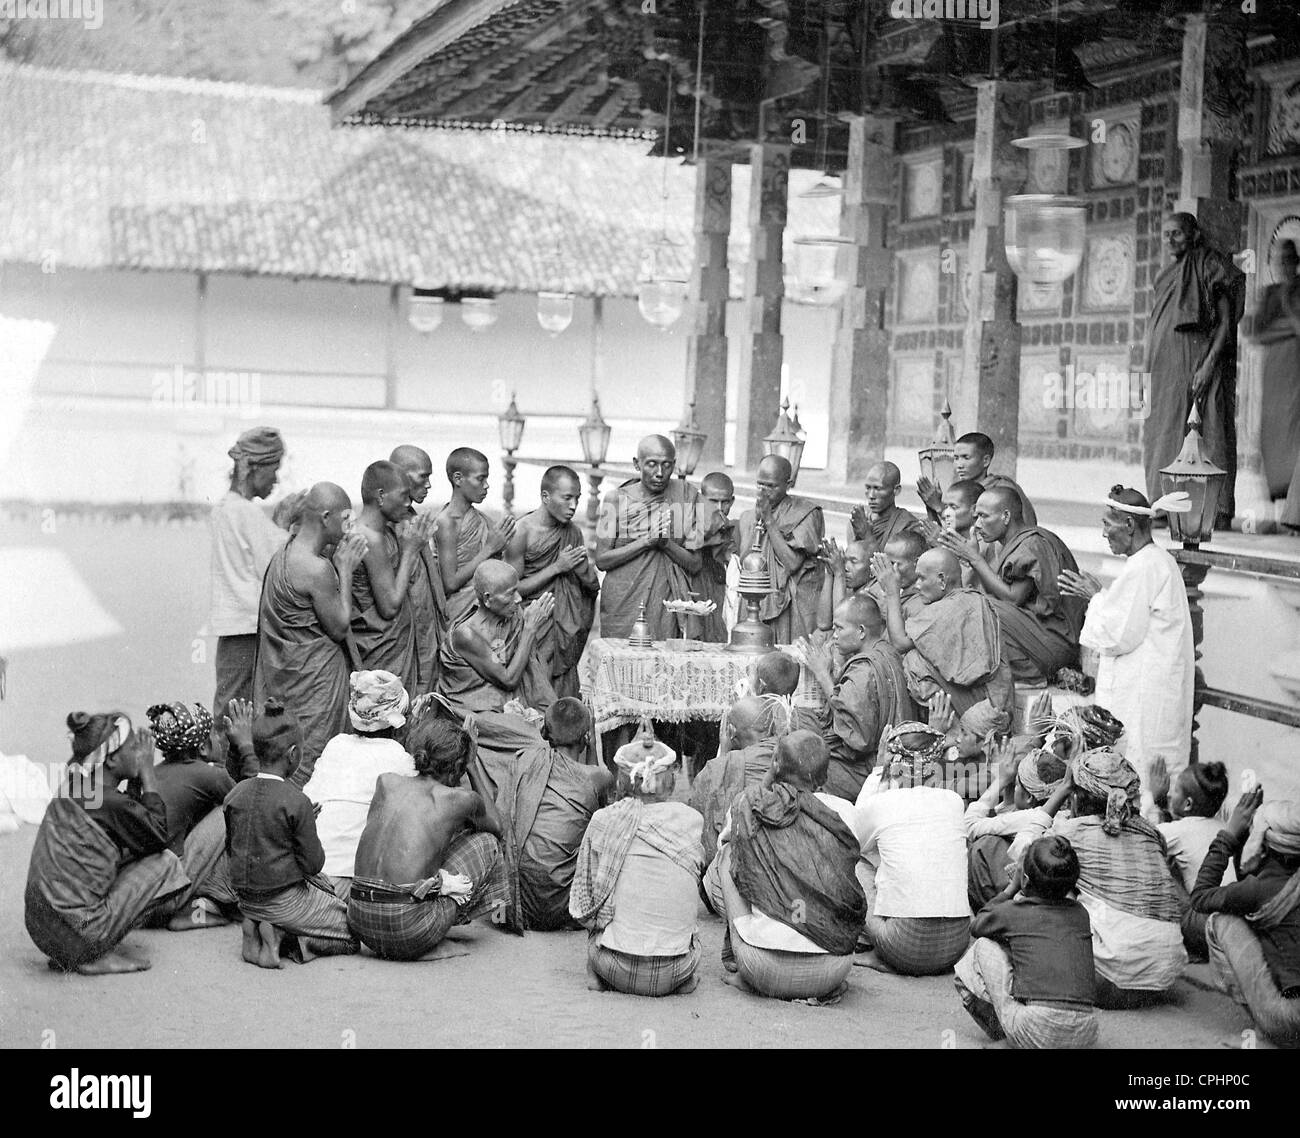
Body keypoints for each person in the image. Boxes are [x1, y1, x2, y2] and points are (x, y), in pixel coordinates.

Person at [25, 715, 189, 974]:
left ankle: (71, 951)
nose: (141, 752)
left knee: (124, 850)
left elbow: (129, 824)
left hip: (40, 928)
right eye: (134, 747)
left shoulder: (78, 786)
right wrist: (147, 774)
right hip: (80, 933)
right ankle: (92, 955)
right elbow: (156, 836)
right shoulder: (109, 801)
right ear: (111, 759)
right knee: (166, 862)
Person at [1059, 486, 1194, 798]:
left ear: (1130, 526)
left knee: (1141, 769)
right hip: (1149, 686)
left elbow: (1118, 634)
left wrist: (1094, 596)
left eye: (1108, 524)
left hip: (1147, 693)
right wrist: (1100, 597)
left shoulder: (1146, 565)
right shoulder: (1148, 562)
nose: (1104, 532)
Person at [348, 716, 516, 960]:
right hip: (407, 928)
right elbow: (496, 825)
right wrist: (472, 763)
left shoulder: (386, 782)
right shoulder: (459, 799)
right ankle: (499, 915)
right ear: (458, 765)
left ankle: (421, 928)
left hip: (360, 919)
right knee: (488, 842)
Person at [715, 731, 866, 1001]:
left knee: (728, 855)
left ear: (775, 763)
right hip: (833, 969)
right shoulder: (845, 812)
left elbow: (727, 840)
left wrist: (767, 779)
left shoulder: (748, 804)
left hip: (761, 969)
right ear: (825, 775)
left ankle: (741, 969)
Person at [1045, 749, 1187, 1008]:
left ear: (1075, 798)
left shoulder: (1070, 831)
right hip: (1164, 978)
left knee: (1050, 882)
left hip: (1108, 982)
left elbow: (1024, 852)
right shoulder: (1152, 833)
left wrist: (1062, 790)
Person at [223, 699, 360, 968]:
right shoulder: (297, 801)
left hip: (246, 900)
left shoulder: (235, 794)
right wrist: (306, 824)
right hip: (284, 902)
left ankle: (253, 928)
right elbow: (313, 864)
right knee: (352, 934)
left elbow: (236, 847)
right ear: (293, 754)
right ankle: (284, 937)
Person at [569, 728, 705, 996]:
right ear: (671, 784)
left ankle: (593, 973)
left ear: (620, 783)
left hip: (614, 968)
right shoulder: (691, 820)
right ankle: (682, 979)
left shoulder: (604, 820)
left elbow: (587, 900)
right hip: (677, 970)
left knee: (600, 894)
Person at [253, 481, 368, 788]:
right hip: (317, 684)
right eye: (345, 519)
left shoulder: (284, 553)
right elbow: (339, 627)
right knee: (316, 763)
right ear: (326, 517)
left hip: (289, 679)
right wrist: (344, 568)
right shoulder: (318, 569)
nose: (349, 528)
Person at [1145, 212, 1245, 527]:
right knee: (1162, 431)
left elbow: (1226, 323)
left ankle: (1213, 510)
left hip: (1199, 359)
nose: (1170, 239)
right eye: (1166, 234)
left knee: (1209, 431)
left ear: (1194, 235)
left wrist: (1208, 365)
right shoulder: (1165, 275)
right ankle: (1164, 505)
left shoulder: (1208, 265)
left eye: (1177, 233)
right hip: (1165, 367)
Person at [954, 835, 1100, 1049]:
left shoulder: (1016, 912)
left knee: (982, 948)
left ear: (1025, 880)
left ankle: (1014, 1041)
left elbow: (977, 926)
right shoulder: (1081, 913)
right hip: (1086, 1032)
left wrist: (1011, 888)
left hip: (1037, 1028)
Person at [208, 427, 301, 755]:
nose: (275, 480)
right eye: (273, 470)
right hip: (247, 626)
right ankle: (226, 773)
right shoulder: (245, 513)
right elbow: (277, 563)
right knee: (236, 709)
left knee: (231, 703)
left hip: (236, 625)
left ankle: (227, 770)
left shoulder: (228, 508)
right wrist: (290, 523)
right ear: (256, 468)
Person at [855, 723, 971, 975]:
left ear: (893, 764)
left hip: (902, 947)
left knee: (858, 863)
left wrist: (878, 769)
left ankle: (878, 952)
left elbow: (854, 839)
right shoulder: (953, 801)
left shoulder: (883, 802)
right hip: (956, 945)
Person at [940, 486, 1084, 686]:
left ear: (1006, 516)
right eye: (976, 518)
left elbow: (1012, 598)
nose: (978, 525)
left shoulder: (1032, 544)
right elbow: (1002, 599)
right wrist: (975, 558)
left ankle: (1031, 675)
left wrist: (975, 559)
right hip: (1036, 635)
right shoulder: (1014, 543)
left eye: (984, 517)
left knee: (975, 605)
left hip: (1055, 642)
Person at [1191, 789, 1300, 1048]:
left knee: (1221, 922)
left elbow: (1200, 896)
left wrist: (1229, 836)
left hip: (1290, 1021)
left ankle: (1264, 1032)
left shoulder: (1258, 890)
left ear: (1263, 844)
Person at [496, 698, 613, 930]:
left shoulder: (524, 760)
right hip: (565, 906)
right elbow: (601, 814)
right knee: (607, 832)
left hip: (519, 901)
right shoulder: (599, 777)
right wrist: (591, 745)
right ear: (586, 737)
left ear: (545, 732)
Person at [301, 671, 416, 889]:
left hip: (308, 869)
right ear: (399, 720)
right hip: (346, 876)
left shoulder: (336, 744)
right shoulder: (398, 756)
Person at [874, 547, 1015, 722]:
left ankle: (951, 727)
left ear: (941, 580)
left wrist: (892, 592)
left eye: (922, 578)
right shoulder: (973, 599)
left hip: (984, 714)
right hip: (996, 704)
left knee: (914, 661)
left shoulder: (949, 607)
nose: (917, 586)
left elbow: (900, 643)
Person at [804, 594, 915, 800]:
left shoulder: (863, 670)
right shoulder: (887, 650)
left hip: (871, 768)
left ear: (861, 631)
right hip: (896, 759)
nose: (834, 635)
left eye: (839, 628)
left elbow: (857, 739)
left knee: (804, 770)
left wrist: (822, 675)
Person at [596, 435, 703, 641]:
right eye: (652, 465)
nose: (660, 473)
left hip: (665, 604)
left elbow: (696, 564)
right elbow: (602, 560)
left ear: (674, 465)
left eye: (667, 466)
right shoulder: (615, 500)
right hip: (623, 602)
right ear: (637, 464)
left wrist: (666, 544)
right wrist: (646, 542)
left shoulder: (689, 498)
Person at [505, 465, 598, 697]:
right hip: (533, 624)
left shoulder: (573, 532)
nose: (574, 506)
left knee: (563, 693)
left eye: (577, 498)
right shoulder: (522, 531)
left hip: (565, 629)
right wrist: (557, 567)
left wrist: (584, 573)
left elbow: (586, 587)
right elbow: (512, 591)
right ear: (545, 497)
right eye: (567, 498)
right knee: (533, 692)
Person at [145, 700, 239, 930]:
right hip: (167, 894)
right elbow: (249, 800)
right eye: (216, 734)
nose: (220, 739)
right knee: (230, 812)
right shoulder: (206, 775)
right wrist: (242, 746)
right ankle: (200, 906)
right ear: (204, 747)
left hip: (141, 895)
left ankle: (195, 905)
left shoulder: (157, 771)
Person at [349, 460, 433, 696]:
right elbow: (389, 606)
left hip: (388, 645)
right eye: (404, 495)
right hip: (381, 650)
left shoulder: (374, 530)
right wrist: (410, 551)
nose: (408, 503)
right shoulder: (370, 538)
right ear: (381, 495)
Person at [437, 561, 555, 716]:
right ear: (487, 599)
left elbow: (535, 669)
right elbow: (508, 680)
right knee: (534, 739)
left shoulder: (513, 614)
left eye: (517, 590)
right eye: (510, 593)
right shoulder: (467, 634)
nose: (518, 598)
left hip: (512, 702)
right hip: (477, 710)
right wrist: (530, 629)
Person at [689, 694, 795, 864]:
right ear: (771, 726)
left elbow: (698, 815)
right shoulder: (791, 753)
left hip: (741, 863)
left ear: (731, 732)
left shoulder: (720, 766)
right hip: (788, 856)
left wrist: (723, 754)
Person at [965, 740, 1067, 912]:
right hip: (1047, 895)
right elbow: (1006, 816)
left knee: (984, 845)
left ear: (1028, 798)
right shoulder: (1058, 812)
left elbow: (970, 824)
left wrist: (1002, 779)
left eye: (1016, 785)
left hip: (1021, 898)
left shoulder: (1030, 816)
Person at [737, 455, 824, 643]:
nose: (764, 492)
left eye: (771, 486)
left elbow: (792, 563)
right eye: (760, 485)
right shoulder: (747, 517)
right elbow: (744, 562)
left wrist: (769, 521)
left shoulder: (804, 514)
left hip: (789, 607)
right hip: (753, 603)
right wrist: (757, 523)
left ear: (788, 483)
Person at [1245, 240, 1300, 531]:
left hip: (1296, 372)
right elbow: (1253, 331)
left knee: (1295, 436)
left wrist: (1288, 317)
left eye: (1289, 260)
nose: (1284, 266)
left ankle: (1294, 513)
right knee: (1274, 436)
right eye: (1279, 261)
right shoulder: (1268, 293)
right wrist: (1288, 328)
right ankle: (1279, 512)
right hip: (1275, 372)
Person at [1156, 759, 1232, 960]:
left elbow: (1144, 837)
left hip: (1201, 928)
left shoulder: (1180, 831)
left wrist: (1154, 800)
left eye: (1176, 790)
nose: (1171, 793)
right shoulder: (1223, 826)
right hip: (1230, 926)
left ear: (1188, 804)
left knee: (1156, 862)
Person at [434, 447, 515, 628]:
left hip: (486, 609)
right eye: (480, 479)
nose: (486, 485)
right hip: (459, 614)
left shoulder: (483, 521)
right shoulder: (446, 522)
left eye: (487, 478)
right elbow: (450, 583)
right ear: (458, 479)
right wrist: (489, 549)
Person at [390, 444, 446, 694]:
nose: (429, 485)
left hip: (425, 635)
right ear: (401, 475)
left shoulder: (413, 518)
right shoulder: (387, 527)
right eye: (424, 476)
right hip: (400, 642)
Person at [917, 433, 1037, 527]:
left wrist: (939, 507)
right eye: (956, 458)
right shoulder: (960, 489)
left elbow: (986, 531)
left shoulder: (1001, 489)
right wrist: (932, 506)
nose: (959, 465)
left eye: (966, 458)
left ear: (985, 461)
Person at [690, 471, 737, 643]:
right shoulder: (690, 527)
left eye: (724, 502)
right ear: (701, 500)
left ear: (732, 501)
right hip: (695, 592)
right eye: (712, 501)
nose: (718, 508)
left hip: (721, 598)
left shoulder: (733, 531)